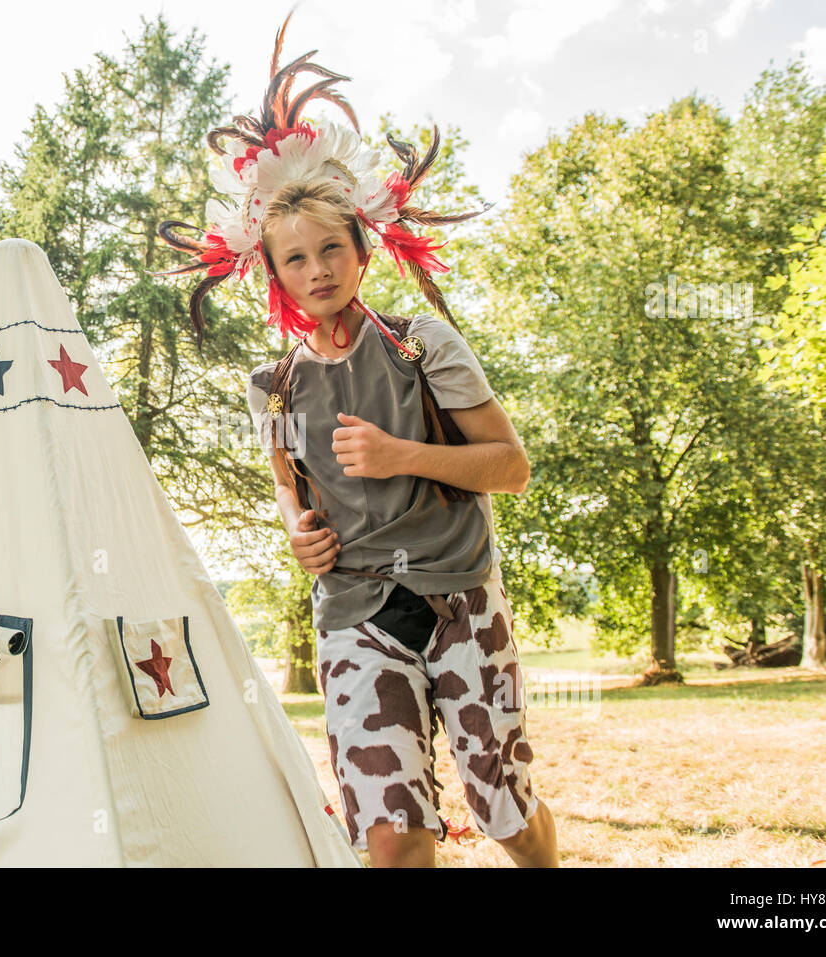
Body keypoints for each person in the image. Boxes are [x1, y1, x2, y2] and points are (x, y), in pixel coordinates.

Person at [156, 13, 557, 868]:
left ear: (362, 252)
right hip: (353, 619)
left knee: (506, 813)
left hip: (459, 601)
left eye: (331, 250)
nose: (317, 272)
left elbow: (511, 468)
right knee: (389, 834)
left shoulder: (422, 346)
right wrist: (299, 534)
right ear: (274, 275)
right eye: (295, 260)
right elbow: (288, 488)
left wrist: (401, 453)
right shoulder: (274, 385)